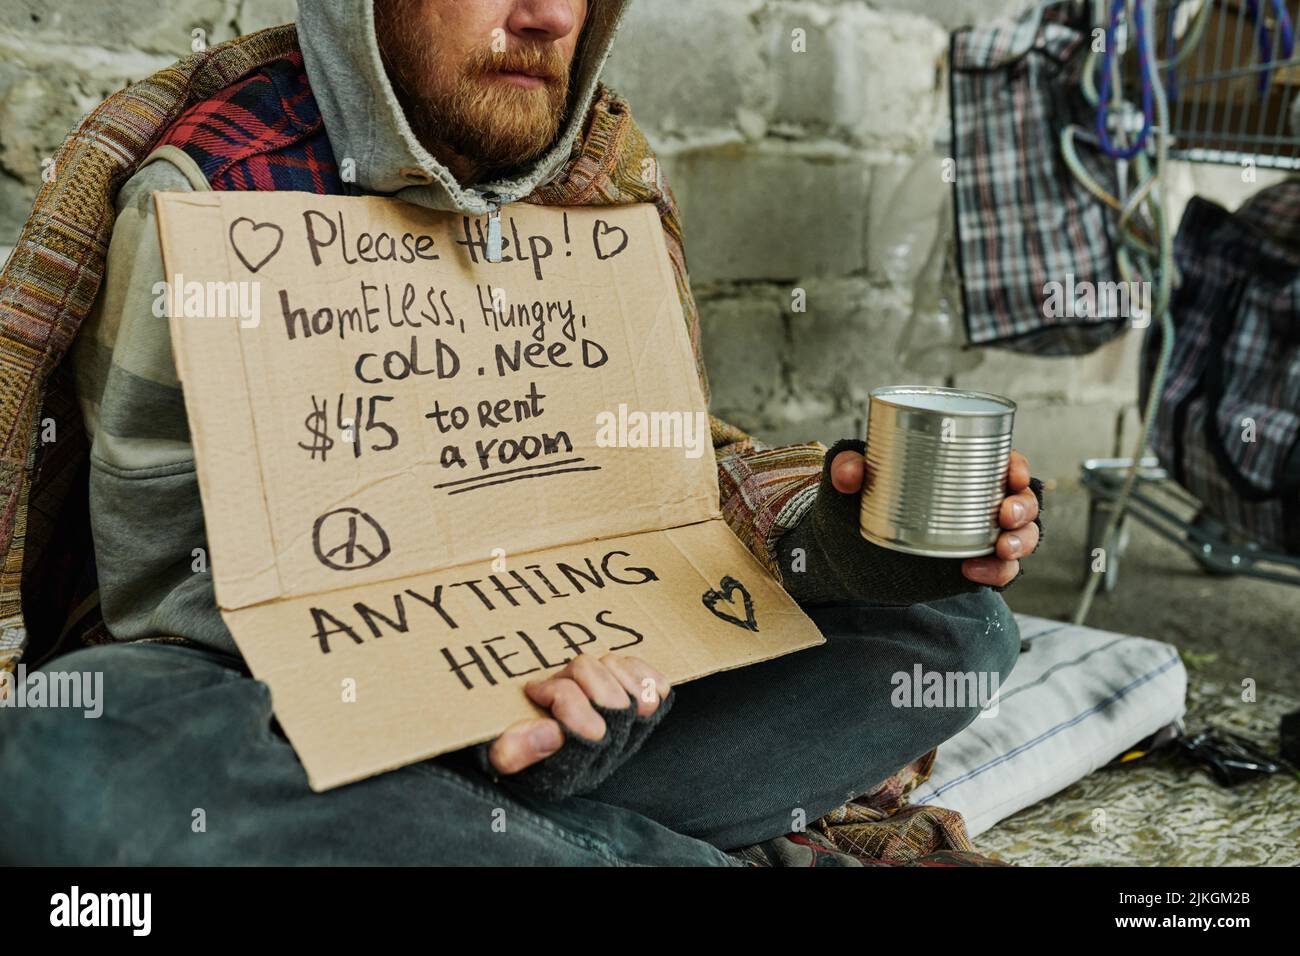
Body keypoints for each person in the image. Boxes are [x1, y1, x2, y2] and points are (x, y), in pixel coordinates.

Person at [0, 0, 1041, 865]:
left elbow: (664, 504)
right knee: (60, 754)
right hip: (312, 716)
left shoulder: (602, 173)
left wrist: (838, 538)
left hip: (602, 695)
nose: (544, 17)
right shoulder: (211, 193)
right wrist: (475, 702)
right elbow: (171, 608)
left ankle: (511, 836)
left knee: (953, 623)